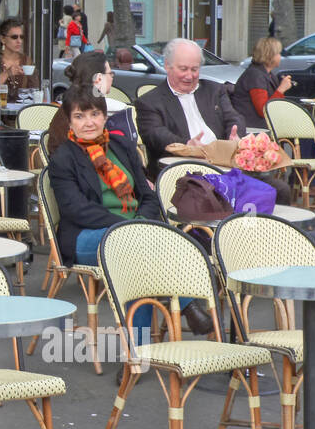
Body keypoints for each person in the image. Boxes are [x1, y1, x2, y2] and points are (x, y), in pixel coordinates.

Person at [49, 84, 211, 338]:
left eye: (94, 114)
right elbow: (77, 210)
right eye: (79, 116)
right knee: (137, 246)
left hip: (137, 233)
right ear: (69, 123)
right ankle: (186, 306)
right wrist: (127, 228)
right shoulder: (63, 158)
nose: (88, 122)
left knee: (142, 253)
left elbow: (148, 195)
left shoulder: (121, 147)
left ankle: (138, 353)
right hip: (86, 236)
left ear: (104, 117)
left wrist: (139, 223)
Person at [135, 37, 244, 176]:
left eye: (194, 69)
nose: (189, 76)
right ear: (167, 66)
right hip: (183, 173)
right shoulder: (149, 102)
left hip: (225, 167)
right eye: (183, 69)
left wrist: (234, 137)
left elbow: (234, 118)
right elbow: (156, 135)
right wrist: (187, 145)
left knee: (277, 190)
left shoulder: (214, 90)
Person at [47, 50, 136, 153]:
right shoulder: (84, 111)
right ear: (98, 79)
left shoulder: (72, 105)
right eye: (110, 73)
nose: (112, 77)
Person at [231, 36, 294, 128]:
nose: (280, 56)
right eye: (278, 53)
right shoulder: (255, 76)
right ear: (270, 55)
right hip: (253, 127)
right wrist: (281, 89)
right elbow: (263, 110)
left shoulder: (269, 75)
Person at [0, 18, 40, 101]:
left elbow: (34, 91)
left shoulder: (26, 61)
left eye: (21, 37)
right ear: (3, 39)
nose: (19, 41)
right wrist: (7, 73)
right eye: (14, 37)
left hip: (20, 111)